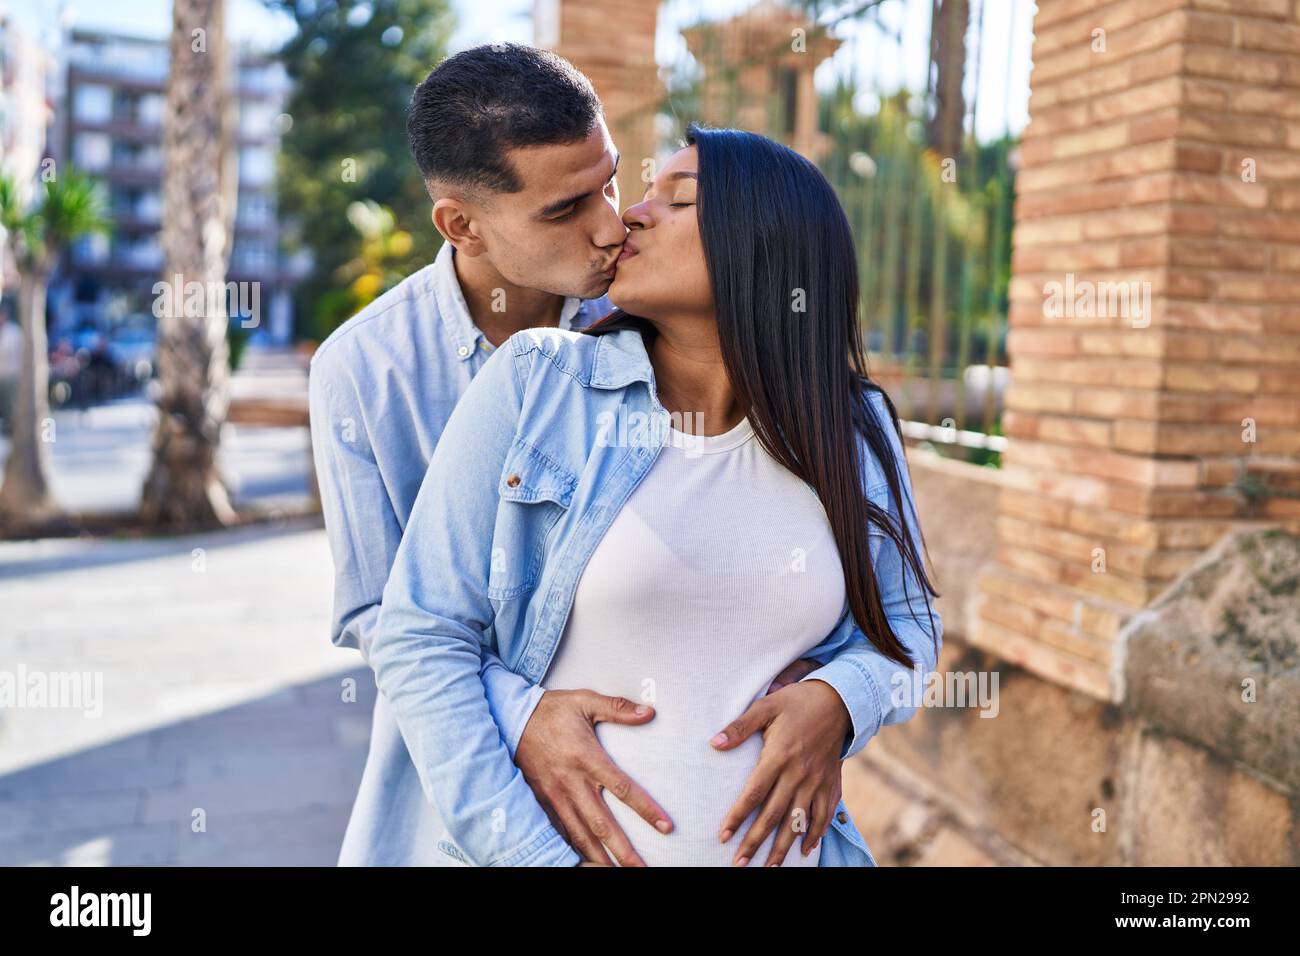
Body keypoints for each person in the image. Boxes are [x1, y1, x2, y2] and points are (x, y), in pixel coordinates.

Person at [310, 45, 879, 867]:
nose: (613, 223)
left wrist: (840, 696)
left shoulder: (656, 299)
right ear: (462, 224)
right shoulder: (365, 371)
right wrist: (526, 711)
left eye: (612, 181)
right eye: (568, 207)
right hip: (469, 797)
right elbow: (390, 616)